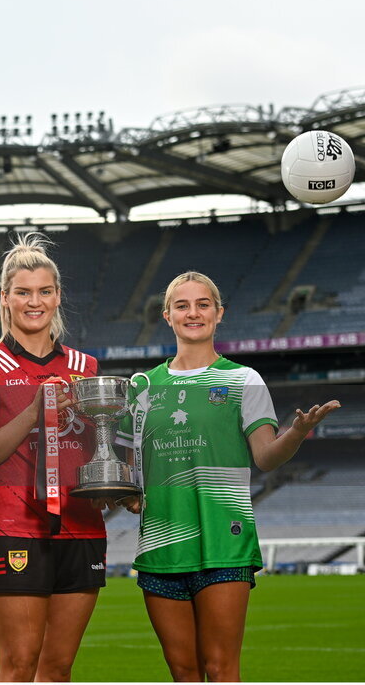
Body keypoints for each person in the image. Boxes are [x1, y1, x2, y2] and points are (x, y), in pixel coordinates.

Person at [117, 271, 340, 682]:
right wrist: (125, 494)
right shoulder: (141, 387)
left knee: (220, 670)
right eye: (182, 305)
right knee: (183, 672)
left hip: (224, 542)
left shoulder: (243, 380)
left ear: (220, 314)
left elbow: (267, 457)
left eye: (203, 304)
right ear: (167, 315)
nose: (193, 312)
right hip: (161, 547)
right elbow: (131, 470)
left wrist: (297, 432)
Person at [0, 233, 106, 682]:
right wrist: (33, 412)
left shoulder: (87, 368)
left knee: (58, 668)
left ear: (58, 296)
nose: (35, 302)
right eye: (24, 292)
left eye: (44, 291)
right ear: (5, 298)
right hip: (13, 529)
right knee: (17, 666)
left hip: (82, 528)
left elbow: (97, 446)